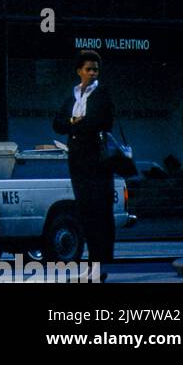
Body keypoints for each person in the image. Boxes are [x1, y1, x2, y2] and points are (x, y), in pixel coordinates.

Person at [52, 48, 115, 278]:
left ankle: (97, 265)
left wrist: (77, 125)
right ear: (79, 71)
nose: (93, 73)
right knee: (85, 211)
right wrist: (73, 120)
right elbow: (57, 123)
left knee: (99, 212)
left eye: (96, 70)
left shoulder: (102, 94)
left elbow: (102, 121)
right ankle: (91, 267)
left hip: (97, 161)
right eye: (88, 69)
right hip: (77, 161)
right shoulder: (73, 97)